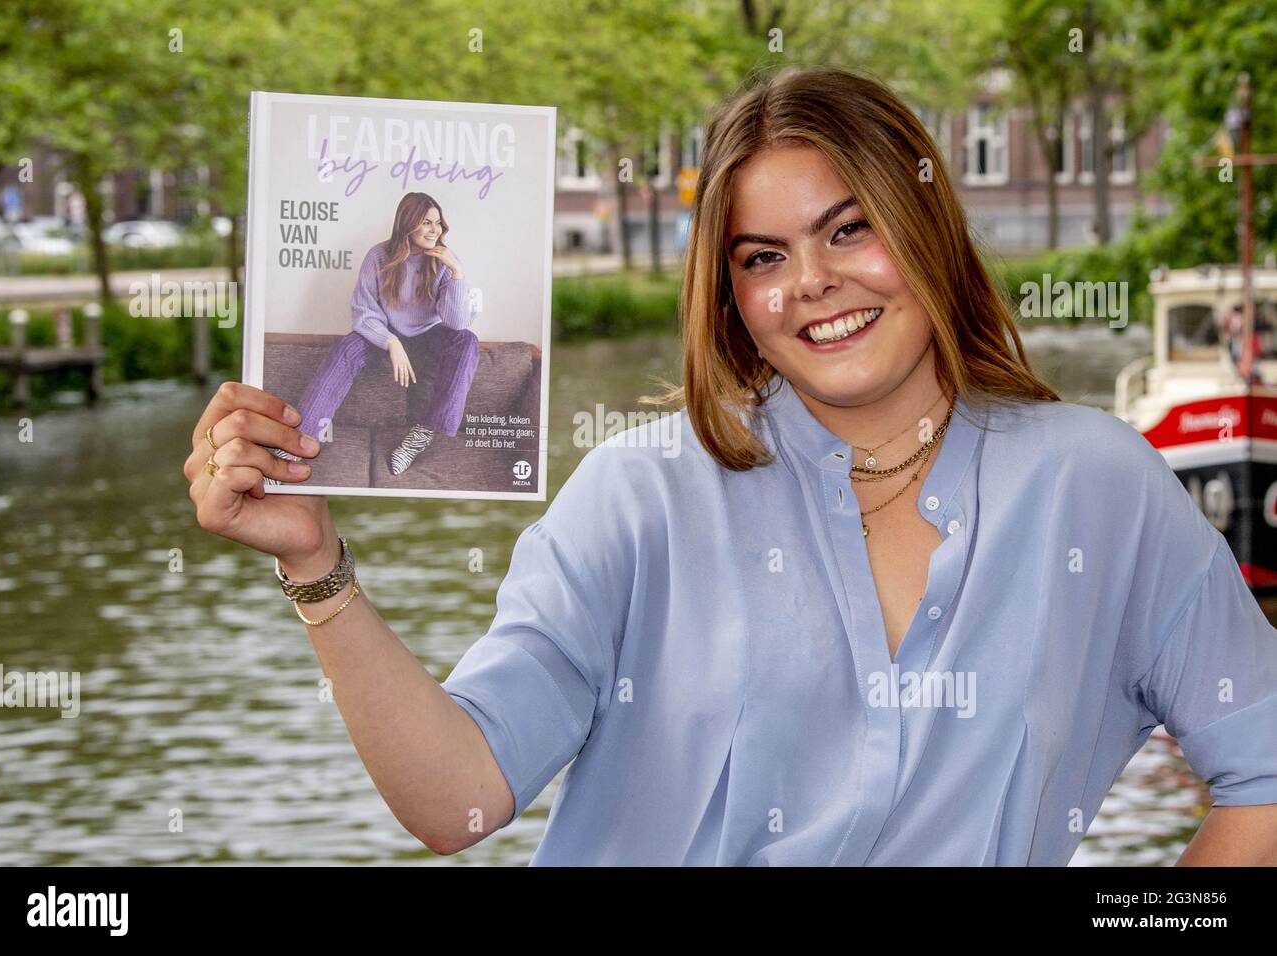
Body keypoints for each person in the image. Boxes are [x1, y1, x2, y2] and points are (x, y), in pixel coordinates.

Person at [184, 65, 1277, 865]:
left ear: (927, 226)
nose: (809, 282)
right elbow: (458, 803)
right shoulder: (637, 496)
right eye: (764, 256)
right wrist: (318, 569)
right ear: (733, 297)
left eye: (850, 230)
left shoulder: (1099, 484)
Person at [272, 191, 478, 479]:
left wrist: (457, 271)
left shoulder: (444, 262)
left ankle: (421, 434)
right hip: (384, 335)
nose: (437, 230)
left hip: (429, 339)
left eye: (439, 223)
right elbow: (362, 312)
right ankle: (295, 444)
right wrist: (391, 342)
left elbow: (456, 323)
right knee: (348, 346)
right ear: (408, 224)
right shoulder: (378, 256)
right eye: (427, 223)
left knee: (467, 340)